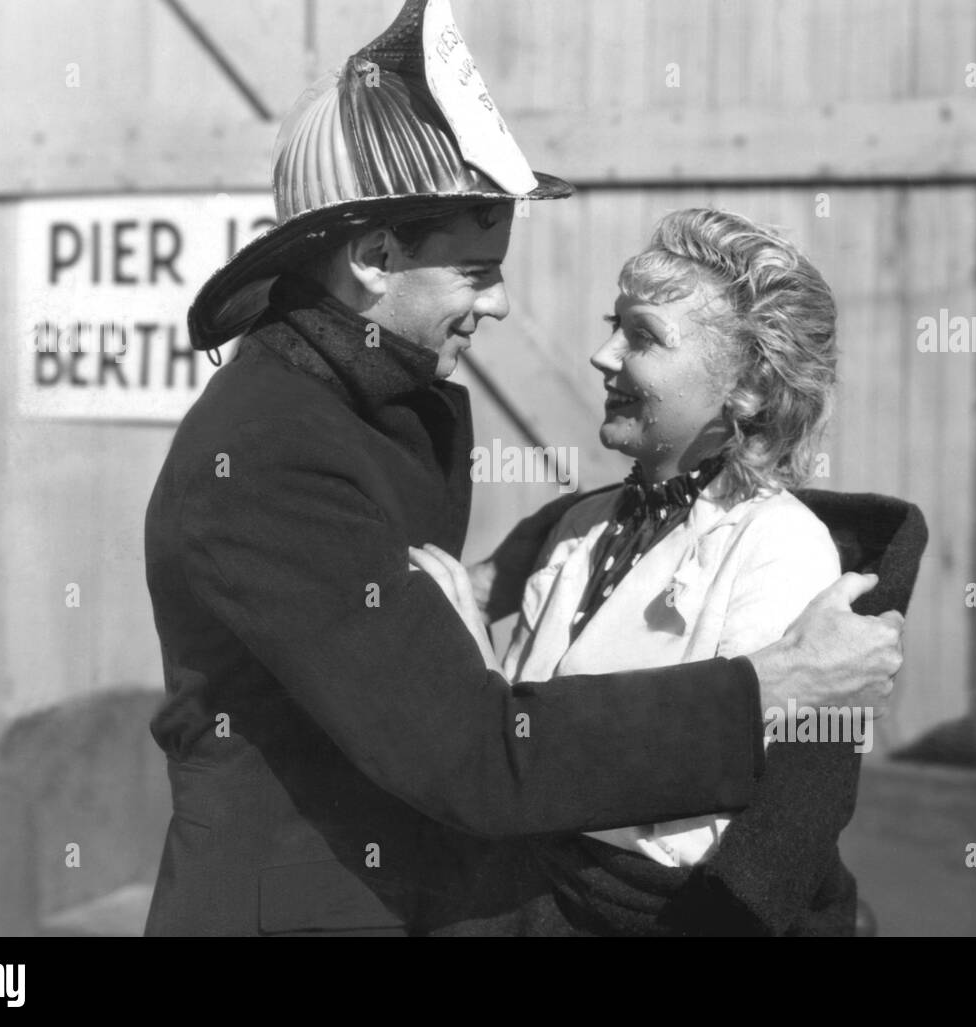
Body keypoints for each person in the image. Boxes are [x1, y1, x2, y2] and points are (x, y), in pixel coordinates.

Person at [142, 0, 903, 937]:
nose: (501, 304)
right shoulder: (275, 455)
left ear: (745, 389)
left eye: (644, 337)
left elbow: (753, 850)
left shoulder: (360, 413)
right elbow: (476, 755)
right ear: (376, 259)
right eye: (476, 271)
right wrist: (771, 688)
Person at [412, 208, 928, 935]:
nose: (601, 354)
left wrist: (486, 684)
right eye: (611, 324)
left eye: (642, 336)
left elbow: (699, 818)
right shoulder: (578, 530)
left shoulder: (780, 549)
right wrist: (475, 660)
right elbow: (523, 752)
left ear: (747, 387)